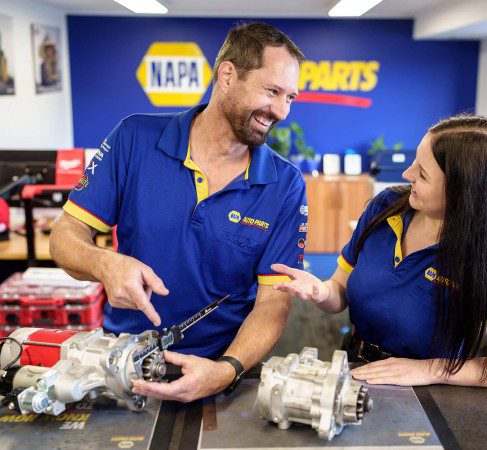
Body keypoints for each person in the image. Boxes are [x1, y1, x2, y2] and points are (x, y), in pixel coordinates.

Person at [50, 22, 308, 402]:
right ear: (227, 75)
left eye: (290, 98)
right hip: (120, 362)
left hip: (220, 370)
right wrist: (103, 263)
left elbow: (274, 300)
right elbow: (64, 236)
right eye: (272, 91)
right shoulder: (134, 139)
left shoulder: (285, 185)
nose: (282, 111)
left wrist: (226, 370)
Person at [272, 115, 487, 388]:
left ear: (463, 192)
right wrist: (322, 292)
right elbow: (340, 290)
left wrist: (432, 370)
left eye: (422, 174)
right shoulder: (386, 208)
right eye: (414, 163)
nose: (406, 174)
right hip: (357, 367)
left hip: (431, 392)